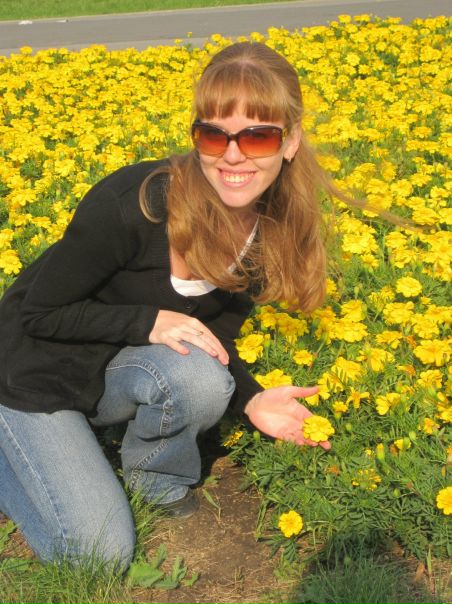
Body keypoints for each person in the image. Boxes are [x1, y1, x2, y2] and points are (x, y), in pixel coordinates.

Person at [0, 41, 334, 570]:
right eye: (214, 134)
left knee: (203, 377)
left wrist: (251, 400)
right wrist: (148, 321)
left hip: (107, 366)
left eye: (258, 136)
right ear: (196, 136)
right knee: (98, 555)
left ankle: (153, 480)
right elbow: (37, 314)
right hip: (33, 370)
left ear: (290, 141)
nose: (233, 155)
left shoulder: (267, 225)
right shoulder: (134, 204)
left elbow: (214, 339)